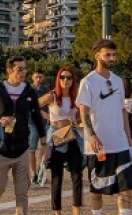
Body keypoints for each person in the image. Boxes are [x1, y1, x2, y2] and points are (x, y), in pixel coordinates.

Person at [77, 39, 132, 215]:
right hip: (98, 147)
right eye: (107, 54)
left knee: (126, 189)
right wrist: (92, 135)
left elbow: (123, 111)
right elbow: (84, 112)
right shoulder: (88, 82)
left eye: (114, 55)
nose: (112, 58)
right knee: (97, 191)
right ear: (97, 56)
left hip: (120, 144)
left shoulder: (118, 81)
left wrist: (129, 136)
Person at [0, 56, 48, 215]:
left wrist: (43, 139)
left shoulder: (29, 90)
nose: (23, 72)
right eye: (19, 69)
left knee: (22, 194)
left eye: (25, 69)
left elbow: (36, 116)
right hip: (1, 149)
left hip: (22, 149)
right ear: (9, 70)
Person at [43, 66, 84, 215]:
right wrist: (49, 119)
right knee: (56, 176)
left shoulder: (76, 98)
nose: (65, 80)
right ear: (58, 79)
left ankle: (76, 210)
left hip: (71, 136)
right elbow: (33, 106)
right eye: (62, 77)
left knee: (77, 174)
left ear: (73, 80)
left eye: (69, 77)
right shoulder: (52, 96)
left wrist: (73, 121)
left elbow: (81, 117)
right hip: (56, 137)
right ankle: (57, 211)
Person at [29, 69, 52, 185]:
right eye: (36, 77)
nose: (38, 79)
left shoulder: (46, 90)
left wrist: (49, 116)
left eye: (40, 77)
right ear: (32, 77)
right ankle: (33, 173)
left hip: (45, 123)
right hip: (32, 123)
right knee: (31, 149)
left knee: (45, 148)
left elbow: (51, 104)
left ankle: (41, 171)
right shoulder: (28, 90)